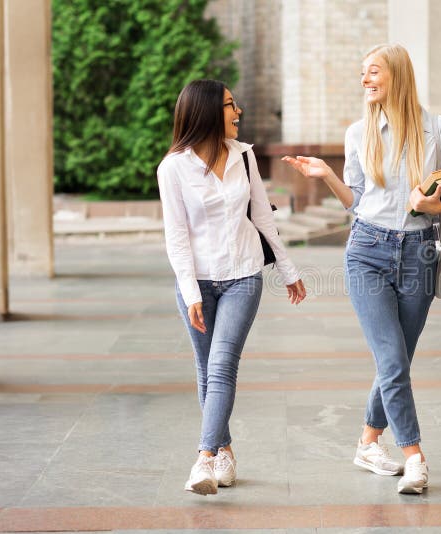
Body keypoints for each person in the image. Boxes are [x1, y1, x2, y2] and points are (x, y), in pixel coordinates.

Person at [282, 44, 441, 494]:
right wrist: (328, 175)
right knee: (391, 358)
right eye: (362, 73)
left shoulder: (439, 128)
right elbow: (357, 203)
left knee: (397, 360)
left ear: (397, 75)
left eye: (373, 72)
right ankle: (414, 455)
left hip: (420, 252)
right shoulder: (357, 133)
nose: (365, 80)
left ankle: (368, 440)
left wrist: (430, 203)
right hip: (367, 250)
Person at [157, 79, 306, 495]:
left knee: (222, 364)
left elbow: (262, 215)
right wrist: (189, 293)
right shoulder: (173, 168)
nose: (237, 111)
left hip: (243, 275)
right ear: (206, 112)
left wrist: (287, 269)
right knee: (206, 370)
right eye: (229, 105)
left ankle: (204, 459)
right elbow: (177, 236)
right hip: (198, 282)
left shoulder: (244, 156)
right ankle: (224, 451)